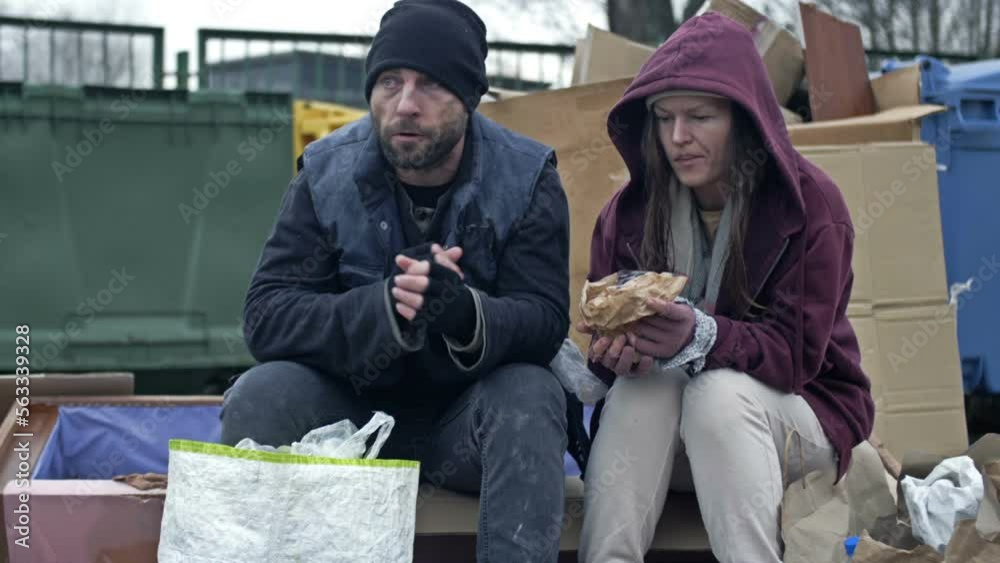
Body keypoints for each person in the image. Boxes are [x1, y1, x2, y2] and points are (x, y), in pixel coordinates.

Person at [220, 1, 582, 561]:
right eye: (390, 82)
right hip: (352, 420)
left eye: (431, 85)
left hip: (466, 434)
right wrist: (384, 309)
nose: (406, 105)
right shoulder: (324, 173)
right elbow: (267, 317)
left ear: (468, 97)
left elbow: (544, 319)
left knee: (532, 392)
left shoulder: (527, 177)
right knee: (260, 393)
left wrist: (465, 313)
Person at [576, 12, 876, 563]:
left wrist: (701, 336)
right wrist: (616, 354)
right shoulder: (630, 213)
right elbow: (602, 364)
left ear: (745, 119)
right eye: (663, 119)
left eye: (700, 117)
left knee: (717, 394)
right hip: (672, 439)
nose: (677, 138)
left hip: (799, 422)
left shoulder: (811, 207)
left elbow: (795, 359)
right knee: (644, 387)